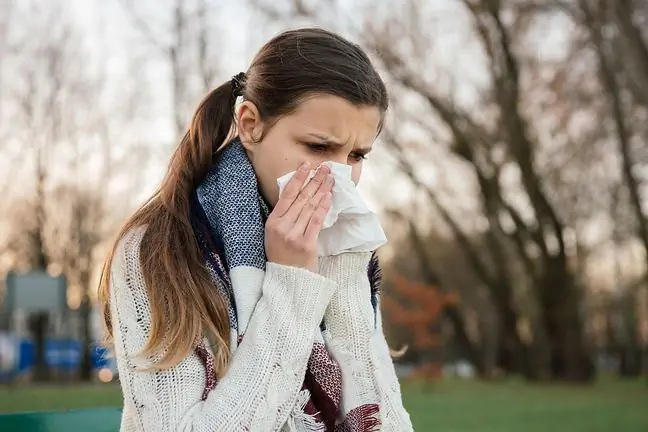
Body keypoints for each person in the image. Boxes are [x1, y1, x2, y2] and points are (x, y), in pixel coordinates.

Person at [98, 27, 414, 432]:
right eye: (318, 147)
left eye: (356, 155)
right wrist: (293, 284)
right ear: (249, 125)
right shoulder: (157, 249)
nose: (338, 178)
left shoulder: (344, 243)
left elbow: (383, 418)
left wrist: (341, 275)